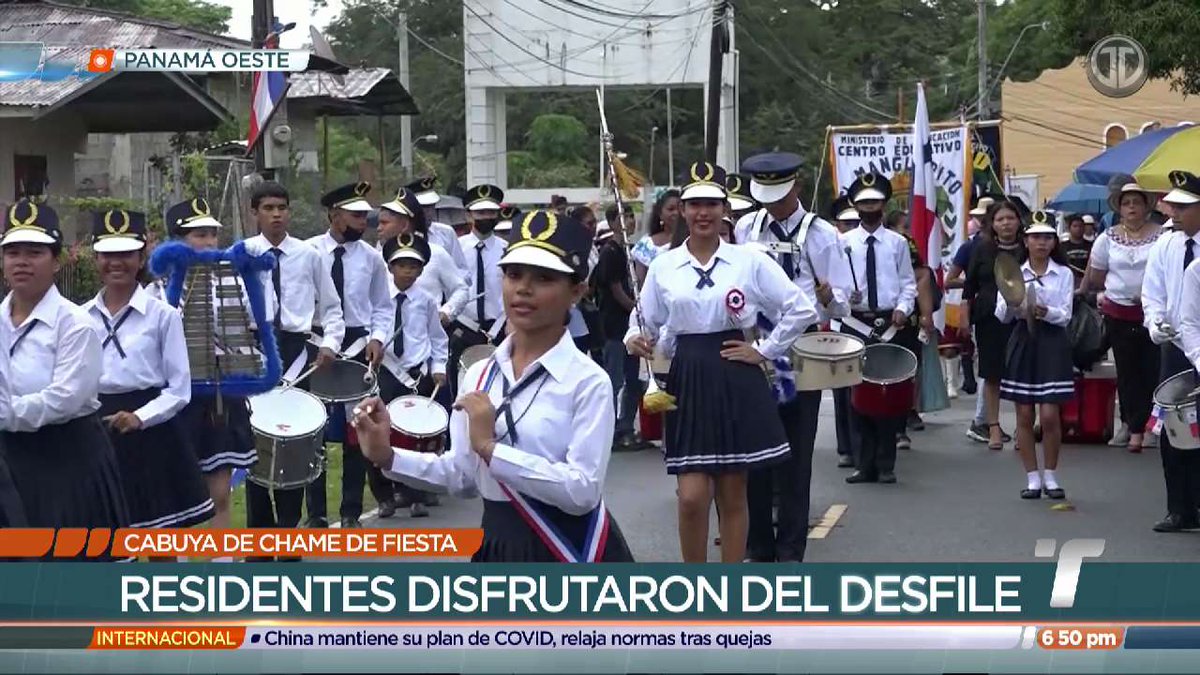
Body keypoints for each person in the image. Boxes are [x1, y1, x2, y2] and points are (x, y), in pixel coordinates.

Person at [353, 210, 634, 562]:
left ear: (575, 291)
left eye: (544, 278)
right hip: (497, 544)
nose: (523, 289)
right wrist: (388, 455)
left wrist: (490, 448)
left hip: (567, 548)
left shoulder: (588, 381)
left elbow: (582, 491)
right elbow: (463, 476)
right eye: (513, 274)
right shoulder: (480, 374)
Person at [626, 161, 817, 563]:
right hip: (688, 376)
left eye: (712, 204)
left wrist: (764, 350)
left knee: (733, 493)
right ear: (681, 210)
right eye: (694, 204)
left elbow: (799, 308)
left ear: (724, 209)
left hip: (737, 375)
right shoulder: (664, 265)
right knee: (692, 496)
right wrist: (635, 338)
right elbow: (645, 319)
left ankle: (727, 593)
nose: (703, 213)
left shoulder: (750, 260)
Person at [736, 151, 851, 562]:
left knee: (795, 454)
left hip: (801, 346)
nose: (771, 202)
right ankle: (757, 544)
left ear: (797, 187)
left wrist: (828, 298)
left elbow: (842, 302)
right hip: (754, 343)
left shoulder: (820, 233)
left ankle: (790, 549)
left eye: (779, 194)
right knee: (754, 451)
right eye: (764, 194)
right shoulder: (746, 227)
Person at [0, 200, 130, 546]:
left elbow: (65, 398)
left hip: (66, 460)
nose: (21, 262)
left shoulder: (75, 324)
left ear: (57, 261)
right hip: (7, 459)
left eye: (34, 252)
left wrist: (7, 413)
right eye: (12, 252)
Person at [84, 209, 213, 530]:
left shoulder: (162, 315)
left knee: (159, 537)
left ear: (141, 258)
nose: (116, 262)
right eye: (107, 254)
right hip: (96, 430)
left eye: (126, 253)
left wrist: (140, 417)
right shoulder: (78, 317)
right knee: (106, 535)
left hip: (153, 432)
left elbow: (179, 388)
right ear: (96, 258)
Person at [243, 181, 345, 536]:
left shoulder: (309, 255)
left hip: (298, 352)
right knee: (254, 444)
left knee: (296, 443)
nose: (276, 215)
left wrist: (330, 343)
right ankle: (259, 535)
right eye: (268, 208)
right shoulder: (240, 254)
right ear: (254, 212)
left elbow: (332, 308)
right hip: (253, 350)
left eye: (282, 208)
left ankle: (288, 531)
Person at [306, 181, 393, 529]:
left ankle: (351, 513)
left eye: (365, 215)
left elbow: (383, 307)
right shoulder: (309, 252)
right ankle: (315, 515)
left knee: (357, 432)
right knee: (314, 432)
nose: (363, 222)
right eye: (356, 215)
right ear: (334, 215)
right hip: (318, 344)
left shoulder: (371, 258)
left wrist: (378, 338)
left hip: (358, 345)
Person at [838, 173, 918, 484]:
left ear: (884, 204)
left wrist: (902, 309)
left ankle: (886, 463)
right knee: (856, 396)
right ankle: (862, 462)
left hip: (888, 322)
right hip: (856, 321)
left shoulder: (898, 243)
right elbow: (836, 283)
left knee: (886, 395)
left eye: (874, 201)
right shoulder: (843, 243)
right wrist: (846, 298)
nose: (869, 207)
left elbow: (908, 284)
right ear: (855, 207)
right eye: (863, 203)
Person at [1078, 181, 1162, 453]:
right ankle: (1128, 424)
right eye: (1127, 203)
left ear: (1146, 206)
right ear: (1120, 208)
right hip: (1118, 312)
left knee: (1152, 370)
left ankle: (1150, 426)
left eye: (1137, 202)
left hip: (1152, 313)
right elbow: (1098, 275)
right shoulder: (1108, 238)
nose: (1132, 208)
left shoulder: (1161, 236)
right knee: (1126, 371)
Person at [996, 213, 1075, 500]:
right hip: (1023, 340)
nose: (1041, 242)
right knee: (1024, 413)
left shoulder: (1064, 273)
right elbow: (1001, 315)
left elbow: (1065, 315)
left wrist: (1044, 311)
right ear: (1026, 241)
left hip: (1052, 342)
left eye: (1047, 237)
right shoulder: (1013, 271)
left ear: (1054, 242)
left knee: (1050, 415)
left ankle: (1051, 475)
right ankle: (1032, 477)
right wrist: (1013, 303)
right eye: (1036, 237)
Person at [372, 232, 450, 518]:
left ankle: (415, 493)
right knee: (380, 433)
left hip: (416, 374)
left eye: (414, 266)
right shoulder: (377, 297)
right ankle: (384, 496)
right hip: (386, 372)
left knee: (418, 436)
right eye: (401, 265)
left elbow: (437, 338)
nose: (408, 271)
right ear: (390, 268)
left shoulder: (427, 300)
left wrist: (438, 368)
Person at [1142, 170, 1200, 533]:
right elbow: (1153, 291)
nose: (1174, 213)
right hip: (1176, 348)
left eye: (1183, 207)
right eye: (1172, 206)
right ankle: (1179, 508)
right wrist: (1154, 322)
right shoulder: (1165, 244)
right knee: (1175, 430)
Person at [963, 198, 1026, 450]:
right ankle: (993, 427)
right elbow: (969, 289)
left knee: (1022, 372)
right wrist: (965, 320)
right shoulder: (981, 249)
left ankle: (1023, 429)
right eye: (1000, 219)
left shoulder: (1028, 247)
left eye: (1010, 218)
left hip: (1022, 317)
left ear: (1018, 221)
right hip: (988, 317)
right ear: (992, 224)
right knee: (991, 373)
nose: (1006, 223)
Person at [376, 186, 469, 329]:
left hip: (427, 339)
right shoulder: (376, 257)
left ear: (405, 224)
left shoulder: (436, 254)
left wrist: (446, 312)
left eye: (385, 223)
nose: (379, 228)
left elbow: (461, 289)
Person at [593, 204, 647, 451]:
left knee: (634, 379)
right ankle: (610, 431)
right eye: (624, 217)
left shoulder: (633, 250)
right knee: (614, 380)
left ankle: (626, 426)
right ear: (613, 222)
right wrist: (636, 309)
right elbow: (615, 288)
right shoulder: (610, 251)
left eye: (632, 216)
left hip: (632, 328)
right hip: (615, 326)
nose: (630, 221)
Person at [450, 184, 508, 391]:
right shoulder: (456, 248)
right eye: (480, 212)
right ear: (469, 215)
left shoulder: (507, 250)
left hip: (499, 327)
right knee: (462, 386)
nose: (486, 217)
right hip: (463, 327)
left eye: (491, 212)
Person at [406, 175, 469, 274]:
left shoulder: (446, 233)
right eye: (423, 207)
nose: (428, 212)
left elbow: (462, 271)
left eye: (431, 206)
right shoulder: (397, 233)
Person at [632, 189, 680, 286]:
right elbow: (641, 282)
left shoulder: (697, 241)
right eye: (671, 209)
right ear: (660, 214)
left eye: (680, 209)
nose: (676, 213)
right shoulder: (646, 245)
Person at [1061, 215, 1093, 286]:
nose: (1078, 229)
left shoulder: (1092, 246)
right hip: (1067, 281)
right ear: (1069, 228)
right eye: (1075, 226)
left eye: (1080, 226)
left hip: (1087, 282)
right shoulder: (1061, 247)